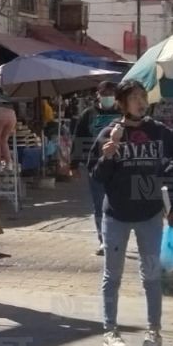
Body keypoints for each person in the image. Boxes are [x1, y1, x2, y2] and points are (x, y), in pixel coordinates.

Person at [88, 80, 173, 346]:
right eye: (134, 97)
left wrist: (166, 174)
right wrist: (108, 155)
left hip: (149, 214)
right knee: (112, 276)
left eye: (143, 96)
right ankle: (111, 331)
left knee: (151, 276)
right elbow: (95, 176)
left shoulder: (158, 131)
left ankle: (153, 331)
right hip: (116, 216)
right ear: (122, 103)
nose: (141, 101)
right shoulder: (109, 133)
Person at [73, 80, 122, 255]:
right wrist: (74, 164)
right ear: (98, 94)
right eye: (105, 93)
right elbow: (78, 139)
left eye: (111, 93)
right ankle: (104, 240)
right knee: (99, 203)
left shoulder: (122, 113)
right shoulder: (88, 114)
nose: (108, 96)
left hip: (120, 166)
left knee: (119, 202)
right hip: (96, 165)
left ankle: (117, 237)